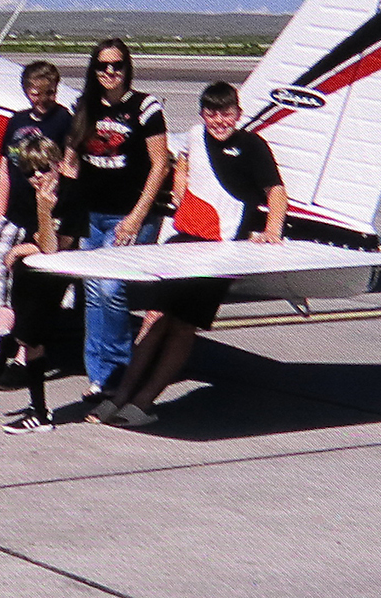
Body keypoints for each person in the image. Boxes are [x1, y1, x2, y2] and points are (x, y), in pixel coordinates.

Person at [88, 81, 288, 427]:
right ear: (203, 115)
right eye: (212, 114)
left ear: (238, 114)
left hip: (220, 251)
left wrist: (273, 229)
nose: (219, 121)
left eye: (226, 114)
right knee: (153, 318)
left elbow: (276, 190)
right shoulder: (197, 136)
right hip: (182, 242)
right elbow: (180, 161)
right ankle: (120, 396)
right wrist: (181, 188)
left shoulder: (252, 145)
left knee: (182, 328)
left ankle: (142, 403)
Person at [65, 38, 171, 399]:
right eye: (102, 66)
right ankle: (97, 375)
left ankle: (121, 372)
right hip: (90, 216)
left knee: (111, 290)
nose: (110, 72)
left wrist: (137, 215)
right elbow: (71, 161)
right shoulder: (84, 106)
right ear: (93, 70)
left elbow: (160, 164)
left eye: (117, 65)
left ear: (128, 68)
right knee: (93, 293)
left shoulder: (145, 106)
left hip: (129, 216)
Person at [0, 60, 73, 389]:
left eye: (48, 93)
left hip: (44, 217)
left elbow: (68, 166)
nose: (41, 99)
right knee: (2, 292)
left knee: (30, 295)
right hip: (13, 217)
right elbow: (5, 169)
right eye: (35, 92)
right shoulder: (17, 120)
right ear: (26, 90)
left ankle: (21, 361)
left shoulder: (63, 120)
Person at [0, 135, 88, 434]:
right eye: (29, 172)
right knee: (32, 339)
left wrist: (26, 244)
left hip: (56, 273)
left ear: (58, 166)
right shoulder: (32, 192)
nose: (36, 177)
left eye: (42, 169)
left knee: (31, 336)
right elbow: (38, 239)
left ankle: (37, 408)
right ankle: (38, 409)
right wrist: (29, 244)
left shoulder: (73, 195)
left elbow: (54, 246)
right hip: (32, 272)